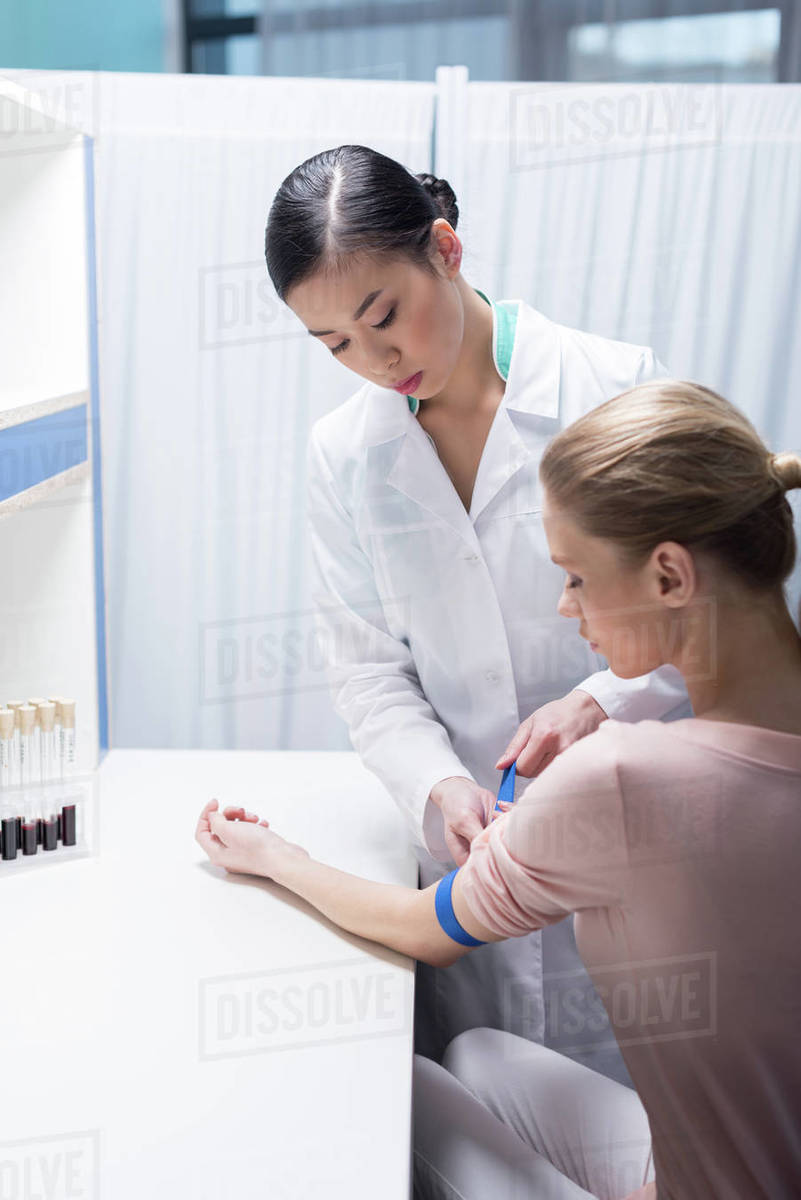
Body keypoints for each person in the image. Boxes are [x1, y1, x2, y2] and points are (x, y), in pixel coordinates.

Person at [196, 380, 801, 1198]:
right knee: (477, 1052)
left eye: (577, 577)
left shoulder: (624, 779)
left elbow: (424, 927)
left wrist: (276, 857)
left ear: (668, 576)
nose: (564, 607)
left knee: (385, 1091)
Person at [263, 144, 691, 1069]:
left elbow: (716, 606)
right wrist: (437, 785)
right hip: (471, 865)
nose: (375, 361)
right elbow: (368, 667)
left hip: (631, 844)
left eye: (384, 317)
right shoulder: (343, 454)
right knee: (489, 1104)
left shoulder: (613, 388)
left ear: (446, 251)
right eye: (335, 344)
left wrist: (602, 700)